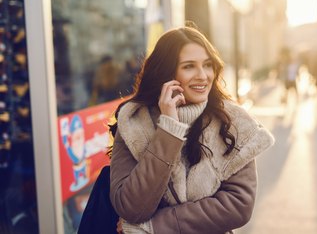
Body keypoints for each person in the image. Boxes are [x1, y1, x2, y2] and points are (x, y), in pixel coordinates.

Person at [108, 25, 274, 234]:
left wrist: (155, 226)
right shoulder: (134, 122)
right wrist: (169, 130)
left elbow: (238, 205)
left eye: (207, 65)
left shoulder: (234, 123)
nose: (202, 76)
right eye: (188, 66)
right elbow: (132, 207)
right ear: (166, 72)